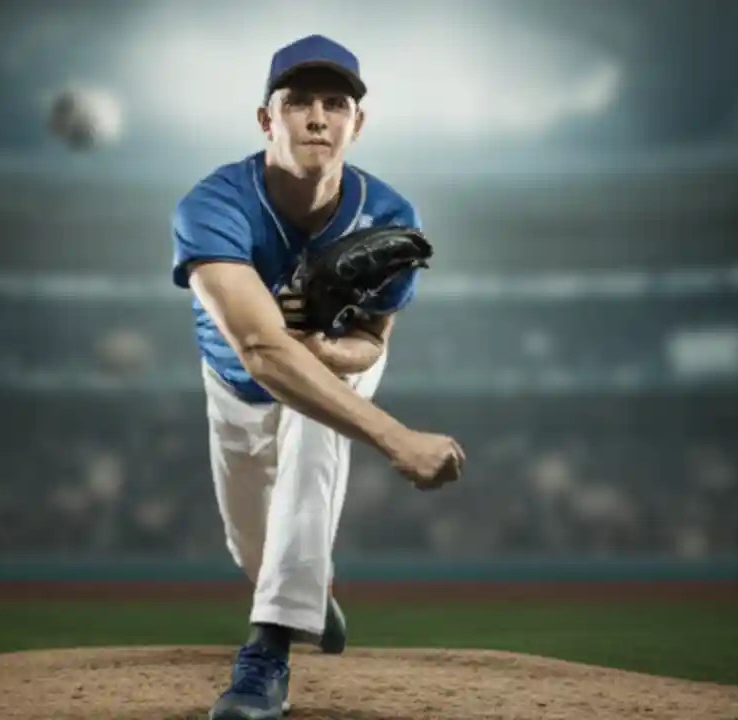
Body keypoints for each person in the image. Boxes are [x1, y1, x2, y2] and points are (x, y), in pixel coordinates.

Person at [170, 34, 465, 720]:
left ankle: (265, 657)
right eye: (297, 101)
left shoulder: (390, 214)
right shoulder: (213, 206)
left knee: (313, 428)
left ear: (356, 124)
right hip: (236, 382)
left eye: (335, 103)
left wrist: (328, 351)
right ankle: (312, 590)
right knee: (252, 546)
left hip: (325, 366)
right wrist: (398, 439)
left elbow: (370, 340)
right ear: (265, 119)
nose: (316, 117)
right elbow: (262, 353)